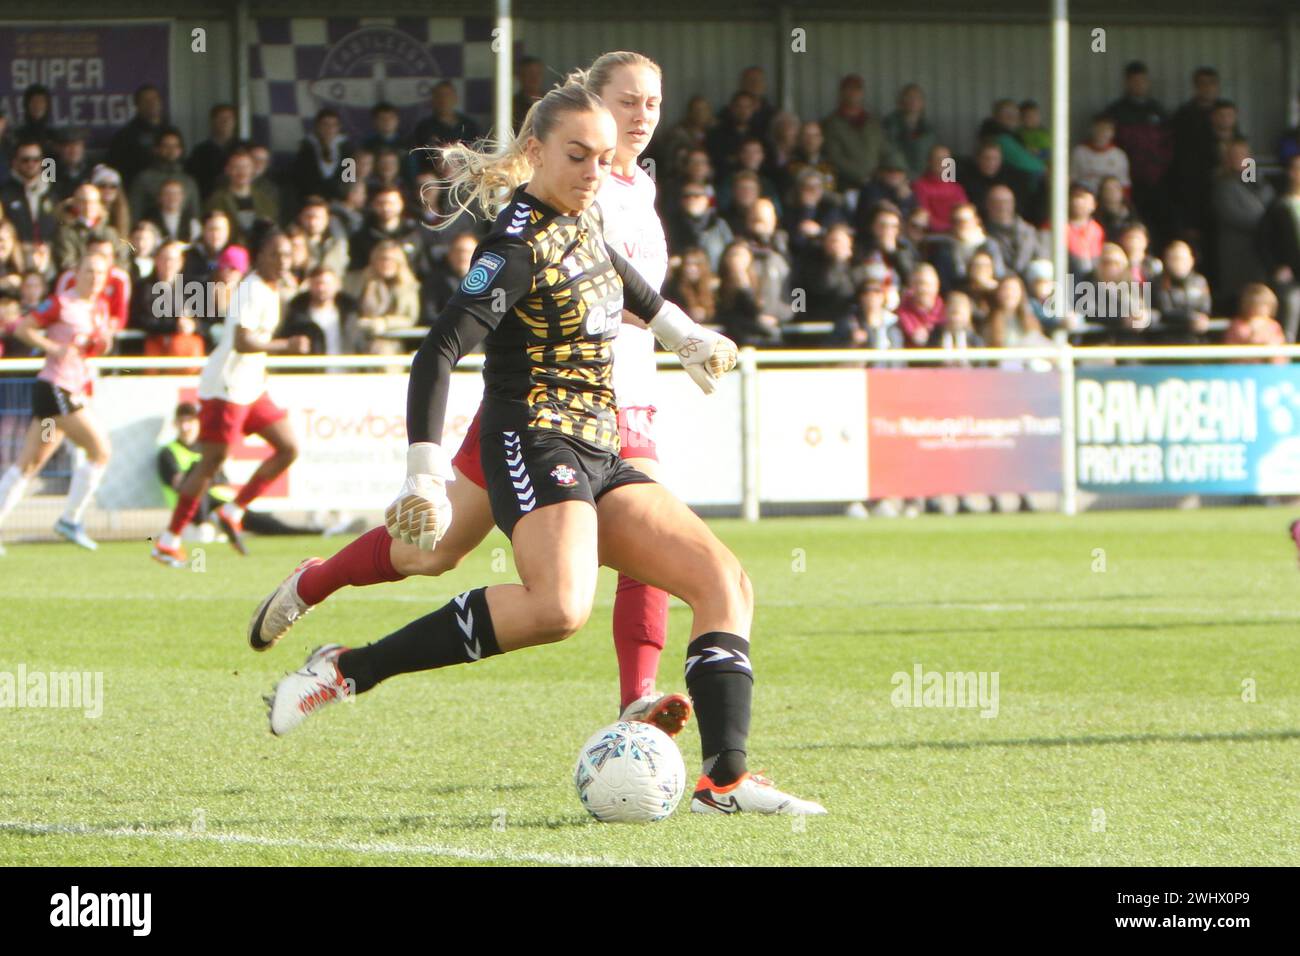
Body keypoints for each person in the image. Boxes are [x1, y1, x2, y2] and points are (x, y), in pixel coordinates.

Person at [260, 74, 822, 815]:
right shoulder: (514, 244)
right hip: (533, 436)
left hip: (599, 440)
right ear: (536, 154)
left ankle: (725, 780)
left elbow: (615, 273)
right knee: (558, 608)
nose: (595, 173)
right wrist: (424, 470)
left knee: (725, 582)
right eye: (578, 157)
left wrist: (683, 334)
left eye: (601, 158)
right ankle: (351, 668)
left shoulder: (582, 215)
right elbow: (437, 351)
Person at [150, 224, 310, 566]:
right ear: (261, 257)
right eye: (276, 254)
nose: (285, 260)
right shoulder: (251, 290)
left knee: (289, 447)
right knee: (211, 462)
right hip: (226, 388)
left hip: (250, 388)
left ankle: (234, 511)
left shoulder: (270, 288)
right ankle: (169, 539)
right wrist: (286, 345)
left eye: (287, 253)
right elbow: (242, 341)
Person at [0, 253, 115, 552]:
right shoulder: (60, 303)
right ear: (77, 272)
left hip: (68, 392)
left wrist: (102, 343)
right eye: (89, 270)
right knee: (100, 450)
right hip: (57, 389)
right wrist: (53, 347)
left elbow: (98, 345)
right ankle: (70, 518)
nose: (95, 277)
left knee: (29, 464)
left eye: (101, 273)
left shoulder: (99, 307)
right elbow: (24, 328)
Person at [108, 85, 167, 187]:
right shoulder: (125, 136)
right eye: (146, 100)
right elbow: (114, 172)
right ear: (137, 105)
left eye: (155, 99)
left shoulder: (171, 132)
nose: (152, 104)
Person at [186, 104, 238, 199]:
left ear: (234, 122)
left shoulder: (244, 148)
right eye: (221, 118)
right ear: (213, 121)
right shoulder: (200, 151)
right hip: (209, 200)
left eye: (229, 118)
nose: (225, 122)